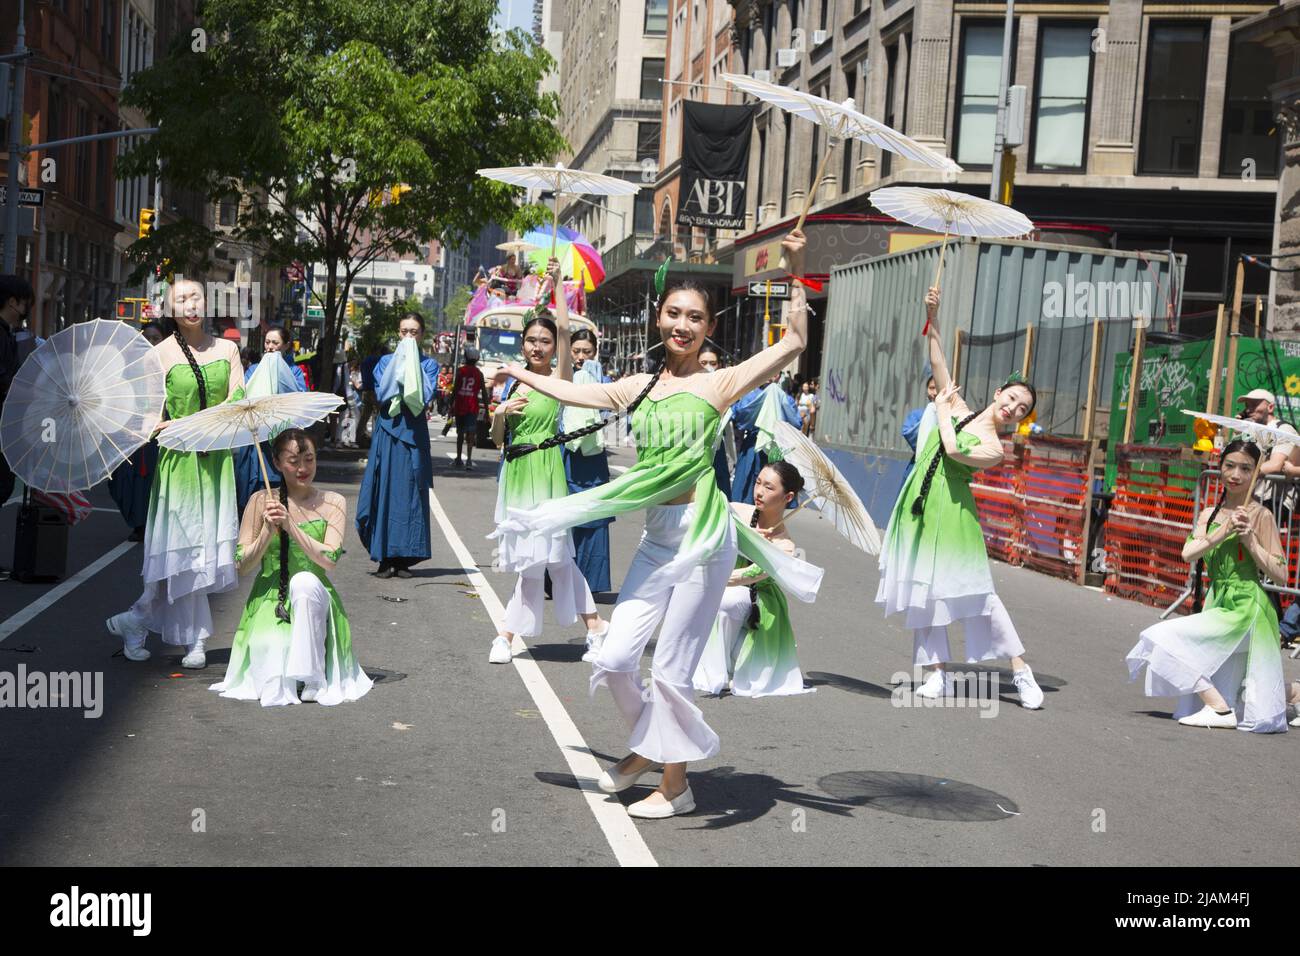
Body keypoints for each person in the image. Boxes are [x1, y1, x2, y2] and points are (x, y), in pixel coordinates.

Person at [489, 230, 822, 819]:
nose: (683, 325)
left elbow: (795, 340)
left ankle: (677, 787)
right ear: (658, 319)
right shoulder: (638, 387)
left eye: (695, 318)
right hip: (656, 538)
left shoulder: (716, 384)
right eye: (674, 314)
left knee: (671, 668)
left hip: (703, 536)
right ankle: (648, 745)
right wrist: (519, 373)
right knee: (615, 658)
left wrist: (796, 272)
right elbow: (570, 389)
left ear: (709, 328)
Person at [876, 286, 1045, 708]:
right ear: (997, 394)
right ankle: (936, 673)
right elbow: (938, 361)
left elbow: (952, 450)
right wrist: (932, 316)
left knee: (978, 594)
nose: (1013, 408)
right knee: (924, 590)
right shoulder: (958, 404)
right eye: (1011, 398)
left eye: (1021, 408)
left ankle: (1020, 670)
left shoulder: (994, 448)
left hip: (953, 514)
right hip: (918, 502)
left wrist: (943, 409)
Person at [105, 278, 245, 668]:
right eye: (180, 299)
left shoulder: (228, 349)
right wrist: (160, 424)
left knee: (202, 547)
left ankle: (142, 620)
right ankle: (192, 638)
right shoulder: (159, 354)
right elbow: (145, 412)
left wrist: (203, 421)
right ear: (170, 308)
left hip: (214, 459)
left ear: (207, 300)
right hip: (178, 463)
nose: (189, 304)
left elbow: (238, 398)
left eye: (195, 296)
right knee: (182, 548)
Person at [1128, 440, 1300, 730]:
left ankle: (1219, 711)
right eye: (1229, 465)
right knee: (1243, 698)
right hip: (1217, 602)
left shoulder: (1260, 515)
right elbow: (1188, 553)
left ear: (1256, 474)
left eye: (1246, 468)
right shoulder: (1209, 514)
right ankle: (1294, 692)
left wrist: (1251, 542)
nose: (1236, 474)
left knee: (1163, 638)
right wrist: (1222, 531)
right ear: (1220, 467)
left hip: (1247, 608)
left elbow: (1281, 575)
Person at [488, 262, 609, 664]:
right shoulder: (513, 381)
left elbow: (563, 332)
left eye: (544, 341)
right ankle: (594, 628)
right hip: (517, 473)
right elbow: (497, 441)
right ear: (521, 344)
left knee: (553, 558)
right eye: (531, 341)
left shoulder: (558, 377)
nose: (537, 347)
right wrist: (502, 411)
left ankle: (506, 636)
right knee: (536, 559)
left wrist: (557, 287)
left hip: (548, 470)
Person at [211, 428, 373, 706]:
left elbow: (329, 559)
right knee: (273, 653)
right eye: (293, 461)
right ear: (276, 463)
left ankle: (312, 677)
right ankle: (297, 667)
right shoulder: (260, 501)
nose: (303, 468)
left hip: (313, 596)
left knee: (305, 582)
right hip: (270, 599)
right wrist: (267, 531)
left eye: (308, 459)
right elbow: (242, 565)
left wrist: (290, 527)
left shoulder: (333, 502)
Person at [693, 461, 813, 698]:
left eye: (769, 488)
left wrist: (760, 548)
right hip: (723, 595)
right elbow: (702, 513)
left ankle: (721, 669)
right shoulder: (736, 511)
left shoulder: (785, 545)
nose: (759, 491)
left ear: (788, 497)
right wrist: (739, 533)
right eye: (758, 482)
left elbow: (751, 576)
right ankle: (711, 662)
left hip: (757, 604)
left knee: (730, 599)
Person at [355, 314, 438, 578]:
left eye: (414, 332)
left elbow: (424, 397)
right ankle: (384, 557)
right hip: (388, 432)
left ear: (422, 335)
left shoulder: (430, 366)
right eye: (404, 332)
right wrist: (400, 368)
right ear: (398, 334)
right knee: (383, 490)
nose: (408, 337)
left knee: (411, 493)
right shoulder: (384, 362)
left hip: (413, 434)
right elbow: (382, 393)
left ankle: (404, 557)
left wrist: (412, 368)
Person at [561, 329, 614, 594]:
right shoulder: (563, 377)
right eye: (577, 351)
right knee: (565, 517)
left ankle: (589, 582)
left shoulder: (605, 381)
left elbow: (612, 418)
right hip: (566, 455)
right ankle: (559, 580)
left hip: (593, 458)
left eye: (587, 352)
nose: (581, 357)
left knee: (594, 517)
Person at [233, 325, 306, 515]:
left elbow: (299, 399)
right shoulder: (254, 370)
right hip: (254, 437)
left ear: (286, 346)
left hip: (281, 436)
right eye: (267, 342)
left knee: (279, 489)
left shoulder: (295, 372)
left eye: (275, 342)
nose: (270, 347)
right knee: (250, 491)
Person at [107, 322, 166, 541]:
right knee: (119, 481)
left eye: (156, 338)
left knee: (147, 480)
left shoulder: (167, 365)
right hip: (126, 430)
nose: (151, 342)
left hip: (156, 433)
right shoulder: (127, 365)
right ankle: (136, 519)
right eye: (147, 337)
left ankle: (143, 524)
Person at [730, 374, 800, 505]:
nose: (770, 376)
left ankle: (766, 521)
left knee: (773, 489)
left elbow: (796, 424)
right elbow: (737, 417)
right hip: (753, 446)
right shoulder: (751, 395)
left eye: (775, 372)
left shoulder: (785, 399)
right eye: (768, 372)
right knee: (748, 490)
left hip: (777, 449)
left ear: (779, 376)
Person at [0, 275, 38, 511]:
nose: (26, 311)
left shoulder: (8, 334)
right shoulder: (2, 334)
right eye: (26, 304)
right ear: (13, 302)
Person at [698, 346, 733, 497]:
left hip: (716, 451)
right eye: (703, 362)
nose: (708, 367)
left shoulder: (725, 389)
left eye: (713, 363)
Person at [451, 347, 488, 470]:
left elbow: (455, 390)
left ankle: (458, 458)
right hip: (472, 406)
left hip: (460, 405)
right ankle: (469, 459)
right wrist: (487, 410)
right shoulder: (479, 373)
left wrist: (451, 404)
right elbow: (484, 392)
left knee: (460, 433)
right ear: (477, 359)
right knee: (471, 434)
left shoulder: (460, 371)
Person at [900, 376, 939, 487]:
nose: (935, 392)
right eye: (931, 388)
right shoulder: (917, 415)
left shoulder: (951, 416)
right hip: (917, 468)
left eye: (938, 388)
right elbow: (910, 434)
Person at [356, 345, 387, 448]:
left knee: (364, 416)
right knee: (378, 415)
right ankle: (377, 438)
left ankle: (358, 437)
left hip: (366, 389)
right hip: (375, 390)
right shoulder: (379, 360)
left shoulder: (365, 360)